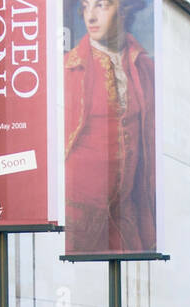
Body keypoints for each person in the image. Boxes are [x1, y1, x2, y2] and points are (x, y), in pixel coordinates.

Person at [63, 0, 156, 256]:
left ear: (123, 9)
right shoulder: (66, 70)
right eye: (85, 7)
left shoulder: (145, 67)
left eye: (101, 5)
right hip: (78, 222)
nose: (90, 17)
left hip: (126, 217)